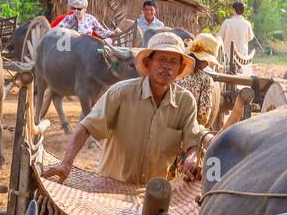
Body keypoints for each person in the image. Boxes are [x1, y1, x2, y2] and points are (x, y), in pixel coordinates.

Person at [43, 31, 205, 186]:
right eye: (162, 59)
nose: (167, 66)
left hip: (152, 193)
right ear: (148, 63)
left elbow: (193, 142)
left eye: (173, 61)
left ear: (180, 69)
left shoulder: (185, 102)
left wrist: (191, 158)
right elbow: (85, 127)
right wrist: (66, 163)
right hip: (109, 186)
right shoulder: (120, 93)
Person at [178, 33, 221, 128]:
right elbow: (203, 115)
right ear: (205, 61)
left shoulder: (177, 72)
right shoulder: (206, 79)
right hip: (191, 130)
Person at [218, 0, 255, 66]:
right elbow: (250, 38)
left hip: (227, 60)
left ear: (233, 10)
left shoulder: (227, 22)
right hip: (243, 59)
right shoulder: (247, 24)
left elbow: (219, 38)